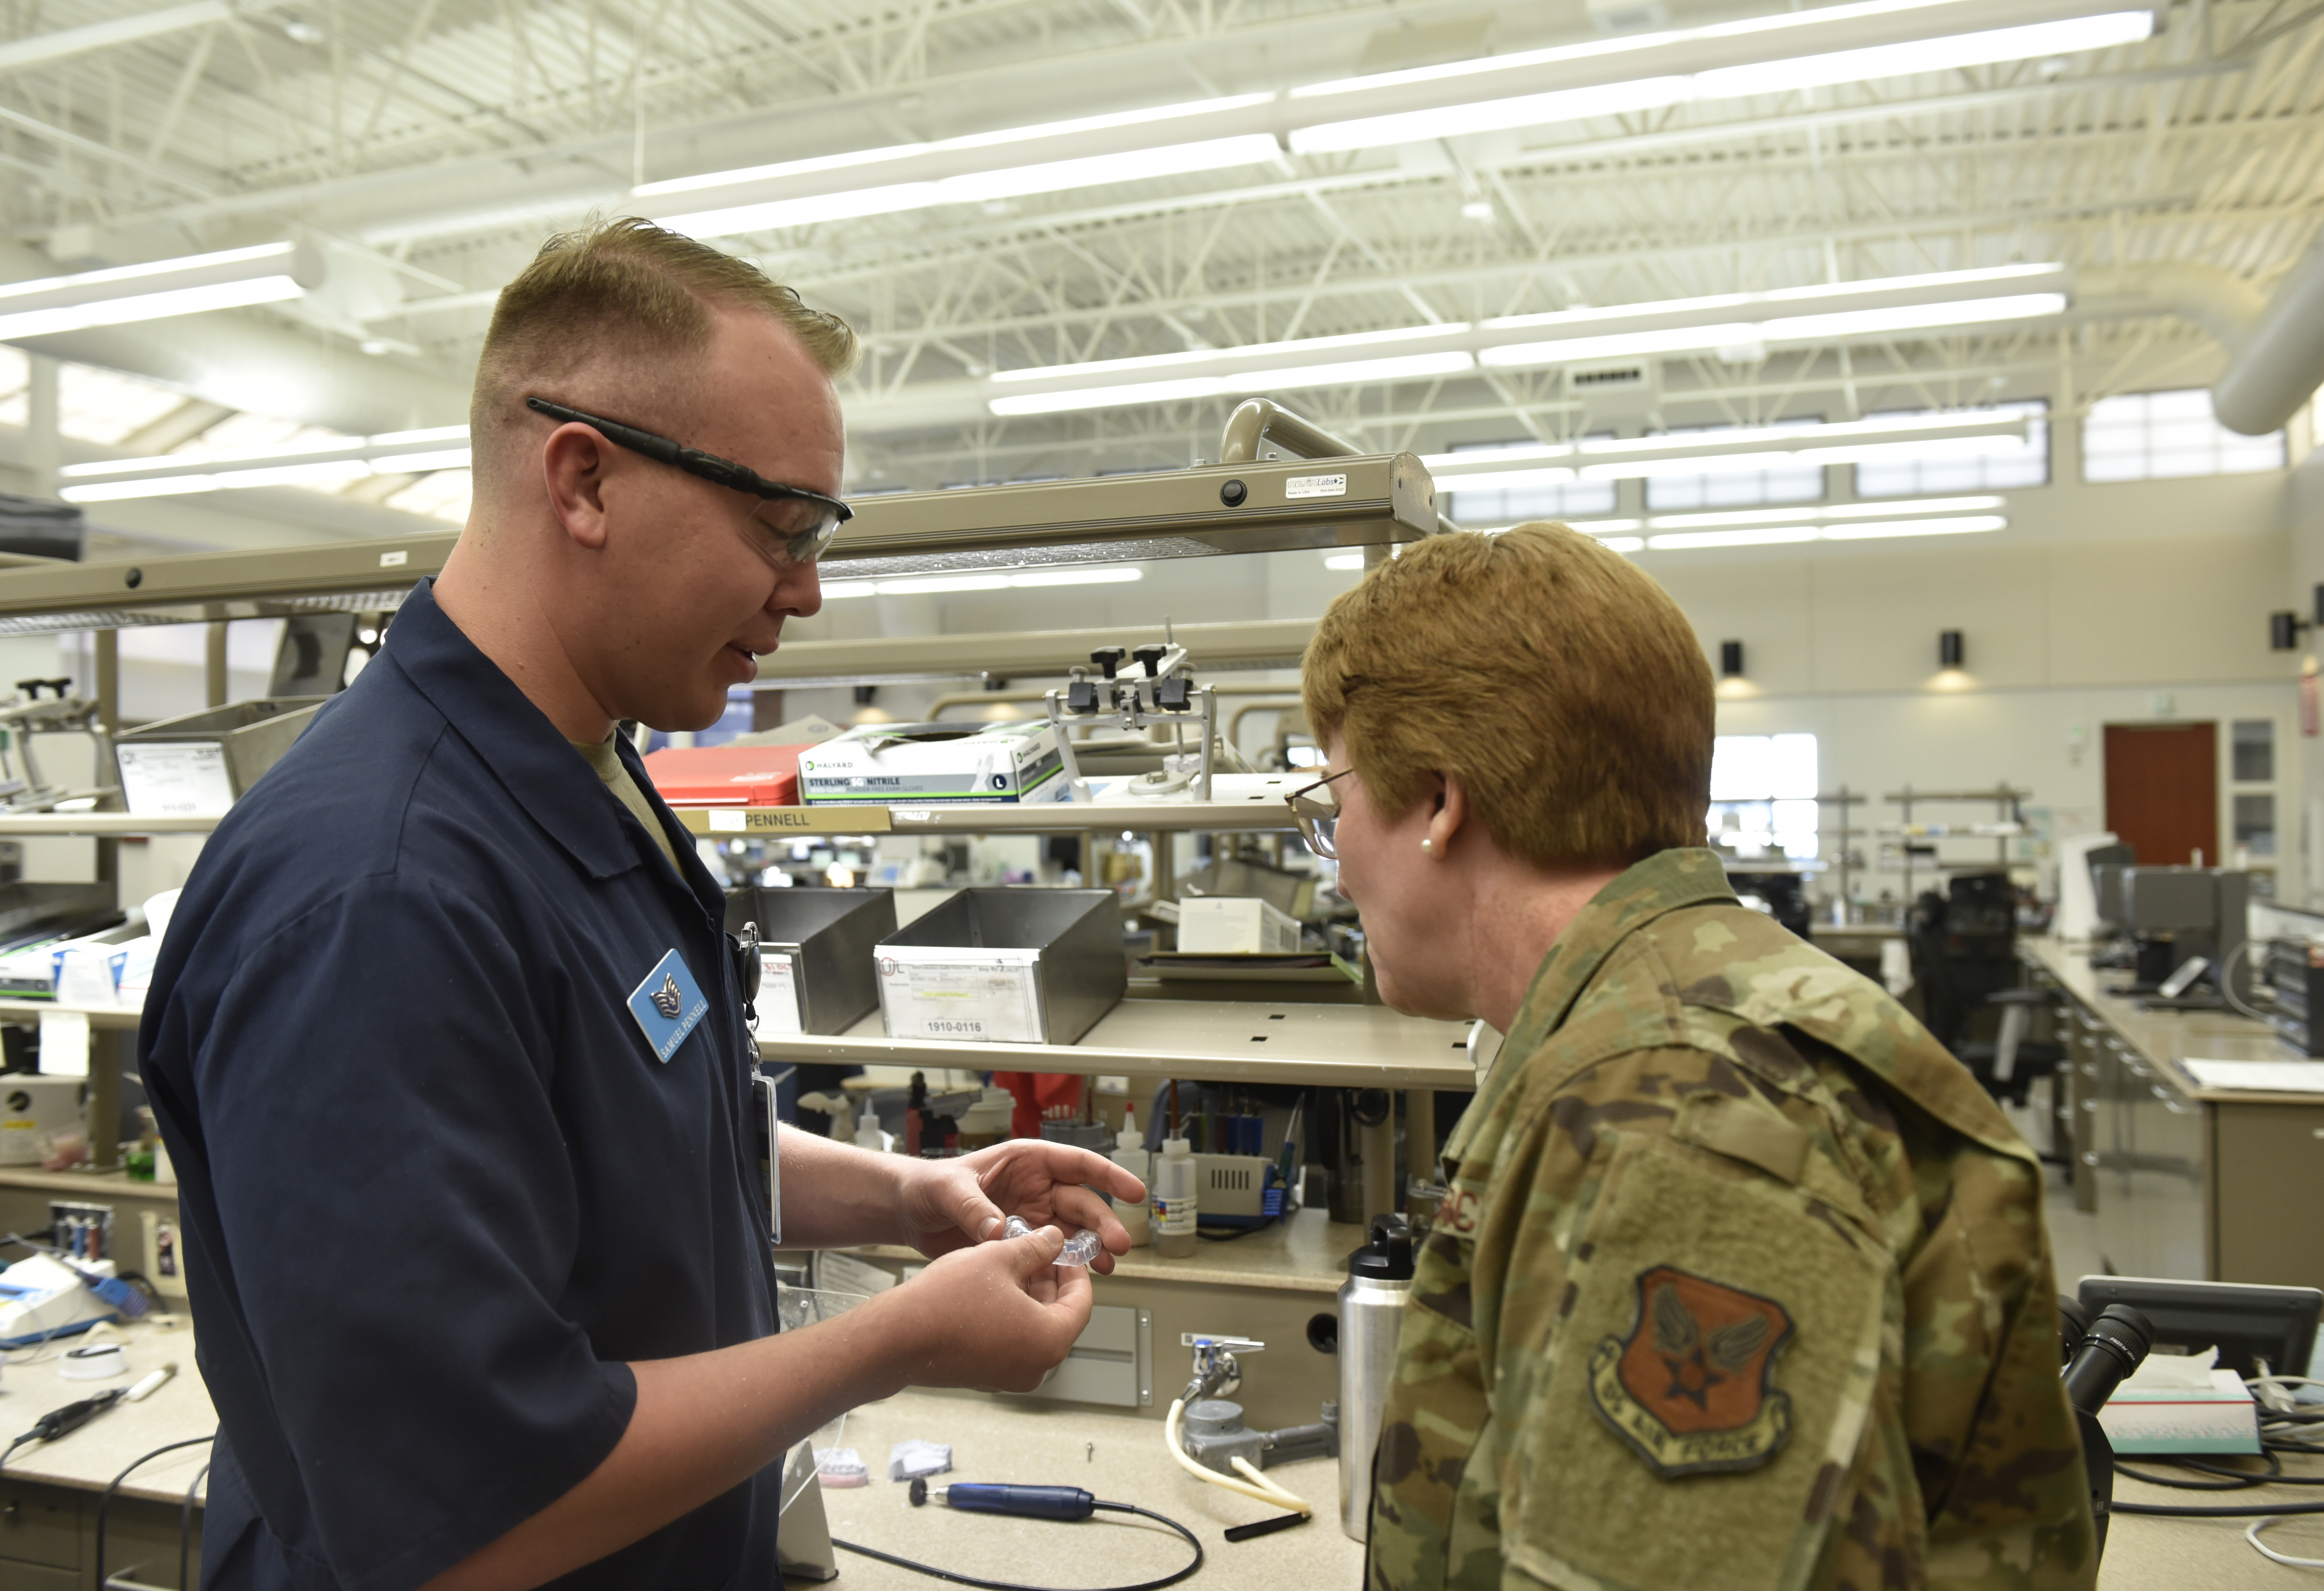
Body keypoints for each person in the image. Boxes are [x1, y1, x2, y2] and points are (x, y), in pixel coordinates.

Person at [140, 218, 1143, 1591]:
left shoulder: (578, 780)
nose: (808, 591)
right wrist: (896, 1340)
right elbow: (469, 1522)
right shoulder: (382, 896)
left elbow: (636, 1141)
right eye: (781, 526)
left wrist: (909, 1197)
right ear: (585, 481)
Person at [1293, 525, 2093, 1590]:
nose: (1336, 864)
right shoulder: (1669, 1025)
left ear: (1439, 802)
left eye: (1333, 806)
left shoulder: (1671, 1109)